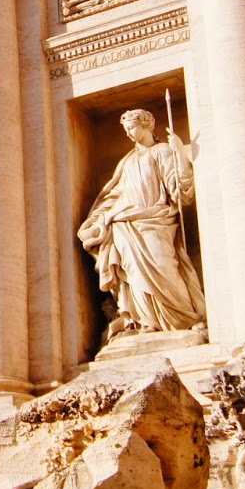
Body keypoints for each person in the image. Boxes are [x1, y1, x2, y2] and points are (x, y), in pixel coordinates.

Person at [78, 108, 206, 338]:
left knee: (164, 265)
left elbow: (180, 191)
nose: (128, 133)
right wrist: (98, 219)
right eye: (126, 130)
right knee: (133, 272)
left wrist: (179, 153)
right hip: (124, 224)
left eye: (132, 128)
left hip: (156, 220)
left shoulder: (162, 151)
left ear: (146, 125)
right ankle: (145, 321)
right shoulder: (127, 161)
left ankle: (183, 318)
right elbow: (115, 194)